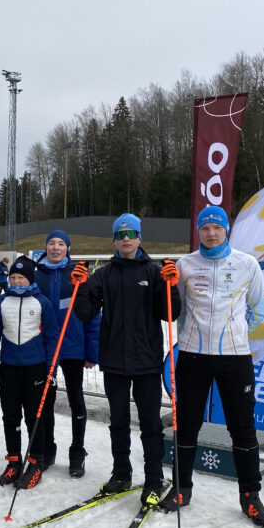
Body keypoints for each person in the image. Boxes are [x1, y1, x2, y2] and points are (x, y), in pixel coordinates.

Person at [159, 206, 264, 528]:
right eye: (205, 228)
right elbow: (177, 308)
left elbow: (259, 308)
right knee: (187, 424)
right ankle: (182, 488)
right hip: (193, 356)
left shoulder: (246, 263)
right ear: (199, 231)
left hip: (235, 358)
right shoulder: (186, 264)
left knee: (242, 426)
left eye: (217, 228)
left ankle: (250, 495)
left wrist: (234, 335)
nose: (211, 233)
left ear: (227, 230)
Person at [73, 213, 180, 507]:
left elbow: (170, 313)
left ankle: (154, 479)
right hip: (115, 361)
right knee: (118, 421)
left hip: (146, 361)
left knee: (150, 424)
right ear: (114, 240)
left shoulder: (154, 272)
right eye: (120, 235)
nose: (126, 239)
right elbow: (85, 313)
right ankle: (121, 473)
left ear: (140, 238)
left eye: (131, 234)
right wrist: (81, 287)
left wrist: (171, 285)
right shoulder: (105, 274)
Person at [0, 256, 59, 489]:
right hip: (9, 368)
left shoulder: (42, 303)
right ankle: (13, 462)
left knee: (34, 417)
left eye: (21, 278)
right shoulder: (1, 302)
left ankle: (35, 463)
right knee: (10, 417)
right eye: (13, 278)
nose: (17, 282)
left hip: (35, 368)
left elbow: (52, 338)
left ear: (30, 279)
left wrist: (51, 370)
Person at [34, 230, 100, 478]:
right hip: (45, 348)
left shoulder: (78, 274)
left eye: (61, 244)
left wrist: (91, 352)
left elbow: (93, 316)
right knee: (45, 399)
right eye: (51, 243)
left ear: (67, 248)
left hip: (73, 347)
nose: (55, 247)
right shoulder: (35, 273)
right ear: (45, 247)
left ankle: (77, 451)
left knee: (75, 398)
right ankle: (47, 449)